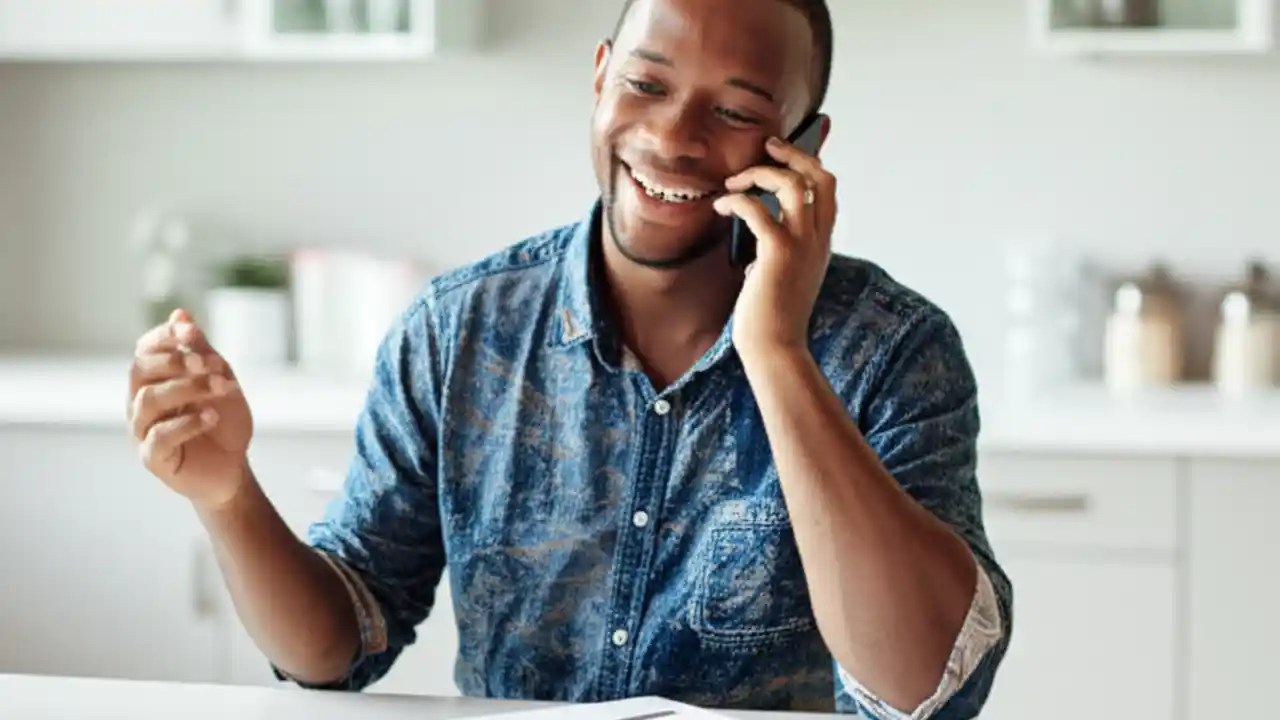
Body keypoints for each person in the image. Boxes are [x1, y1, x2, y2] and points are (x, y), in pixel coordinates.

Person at [125, 0, 1011, 716]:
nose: (672, 137)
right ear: (599, 79)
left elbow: (924, 687)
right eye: (645, 83)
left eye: (736, 111)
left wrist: (775, 349)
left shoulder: (894, 350)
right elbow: (333, 648)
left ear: (804, 146)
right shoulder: (456, 332)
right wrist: (228, 497)